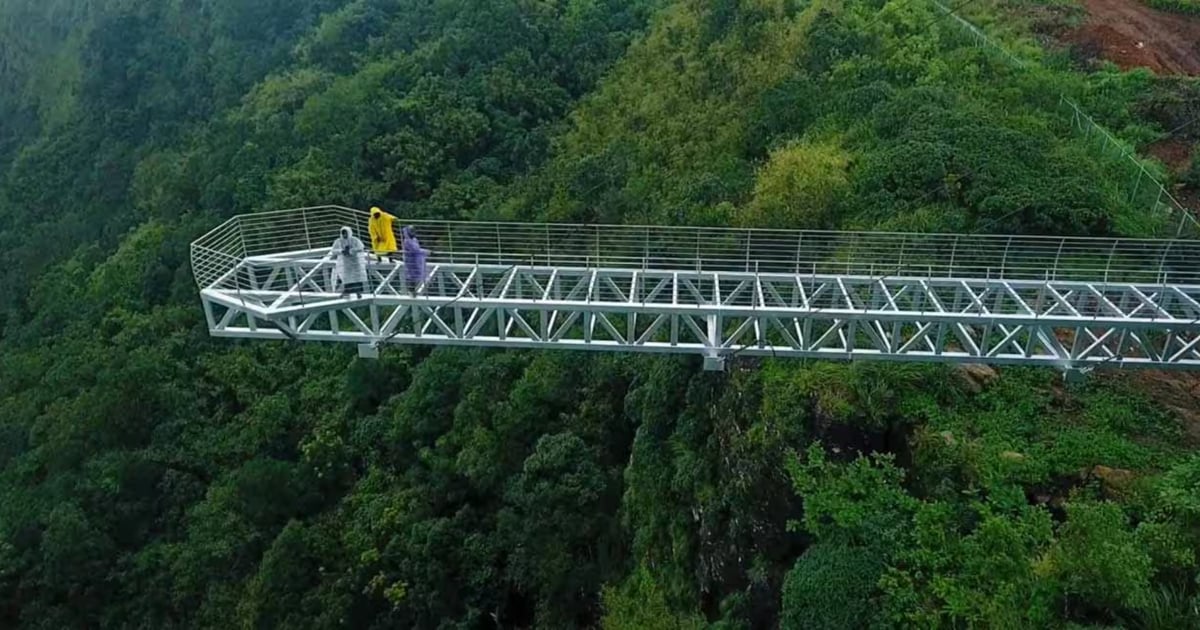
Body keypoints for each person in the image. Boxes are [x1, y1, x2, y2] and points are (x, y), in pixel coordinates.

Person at [330, 226, 368, 297]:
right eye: (343, 233)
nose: (344, 235)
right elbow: (333, 250)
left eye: (346, 233)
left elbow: (361, 248)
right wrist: (341, 251)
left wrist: (351, 251)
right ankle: (346, 291)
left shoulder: (355, 240)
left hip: (355, 262)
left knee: (357, 277)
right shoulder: (338, 241)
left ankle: (358, 292)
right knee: (346, 277)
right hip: (345, 262)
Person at [402, 225, 429, 295]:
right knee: (412, 275)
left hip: (416, 259)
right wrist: (425, 252)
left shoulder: (414, 239)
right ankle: (411, 290)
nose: (413, 233)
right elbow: (415, 250)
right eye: (411, 231)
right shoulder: (407, 241)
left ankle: (413, 290)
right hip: (410, 260)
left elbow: (417, 249)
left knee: (417, 275)